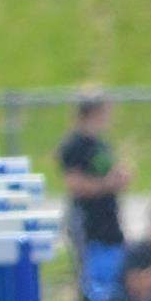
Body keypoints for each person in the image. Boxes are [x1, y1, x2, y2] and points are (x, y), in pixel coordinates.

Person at [56, 91, 130, 256]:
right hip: (88, 221)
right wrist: (106, 184)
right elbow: (74, 183)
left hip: (109, 218)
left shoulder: (101, 143)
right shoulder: (75, 145)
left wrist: (121, 177)